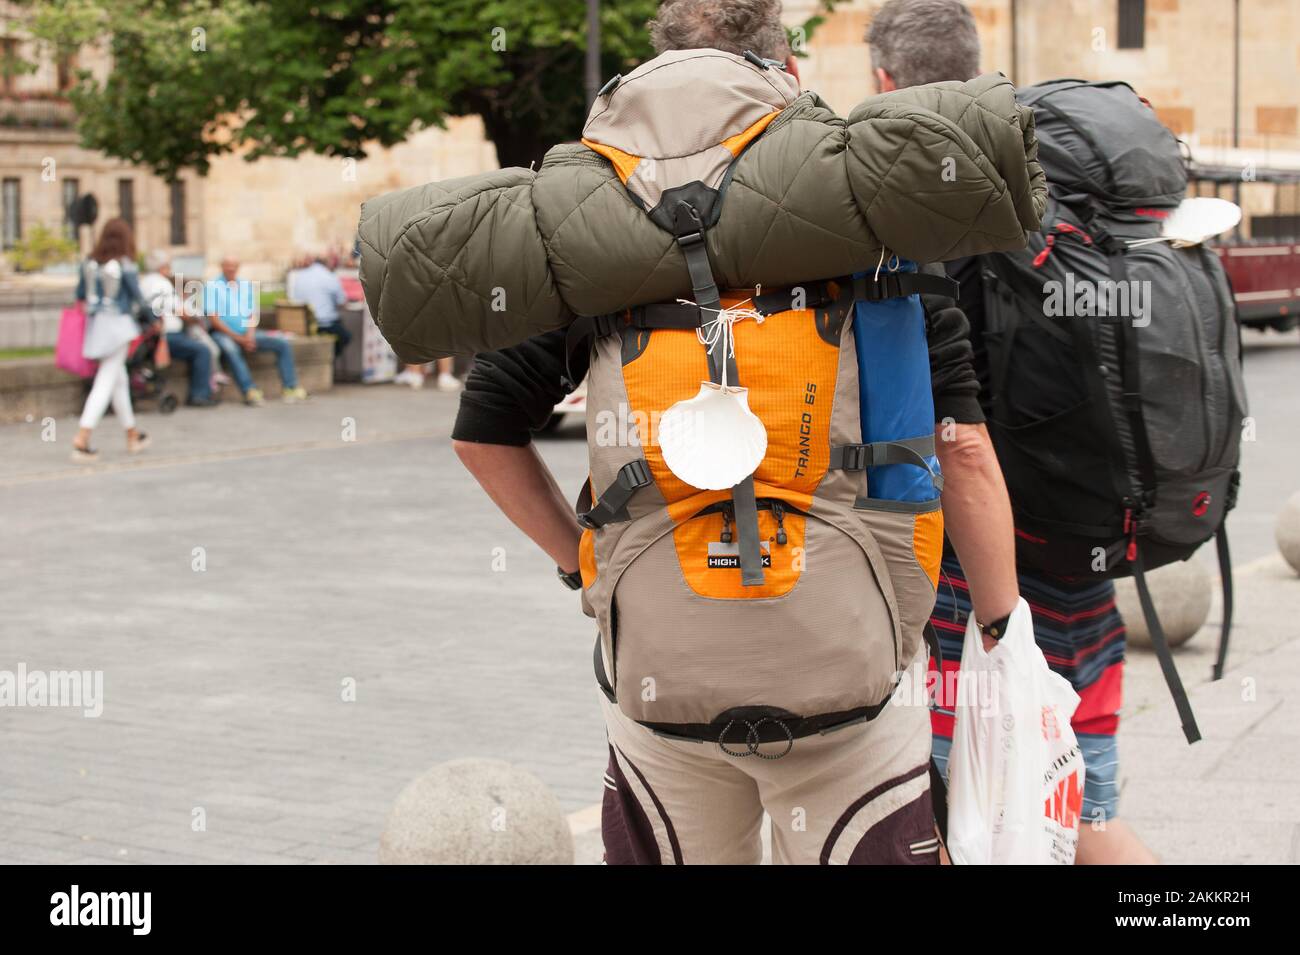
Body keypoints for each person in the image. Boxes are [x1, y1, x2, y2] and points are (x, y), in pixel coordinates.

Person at [450, 0, 1022, 864]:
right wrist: (1001, 626)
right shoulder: (868, 212)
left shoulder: (589, 231)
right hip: (853, 669)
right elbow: (963, 449)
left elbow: (482, 433)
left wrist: (585, 566)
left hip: (660, 676)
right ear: (785, 72)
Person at [866, 0, 1156, 864]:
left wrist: (997, 623)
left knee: (965, 828)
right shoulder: (1051, 198)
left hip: (974, 604)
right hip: (1087, 585)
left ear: (884, 83)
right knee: (1080, 817)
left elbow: (958, 446)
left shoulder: (919, 218)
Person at [70, 218, 151, 462]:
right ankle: (83, 437)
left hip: (96, 326)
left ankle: (132, 434)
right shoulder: (125, 264)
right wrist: (154, 317)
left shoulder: (89, 262)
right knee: (107, 380)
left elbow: (80, 294)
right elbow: (138, 297)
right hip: (118, 326)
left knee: (118, 380)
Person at [205, 257, 308, 406]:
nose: (231, 269)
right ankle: (250, 390)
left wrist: (249, 336)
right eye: (227, 265)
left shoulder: (245, 286)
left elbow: (252, 315)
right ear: (221, 267)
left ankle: (290, 388)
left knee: (282, 344)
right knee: (231, 349)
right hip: (224, 334)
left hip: (247, 333)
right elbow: (214, 320)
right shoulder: (212, 287)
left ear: (238, 266)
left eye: (233, 265)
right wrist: (239, 338)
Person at [140, 251, 217, 407]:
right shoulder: (161, 283)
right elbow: (180, 311)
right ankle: (199, 394)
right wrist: (196, 317)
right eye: (168, 266)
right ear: (162, 267)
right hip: (167, 336)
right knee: (202, 350)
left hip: (150, 335)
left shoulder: (143, 282)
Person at [293, 255, 352, 358]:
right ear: (328, 264)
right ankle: (328, 359)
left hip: (303, 325)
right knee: (346, 336)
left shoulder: (299, 276)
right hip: (323, 326)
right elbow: (342, 302)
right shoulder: (329, 277)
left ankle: (325, 359)